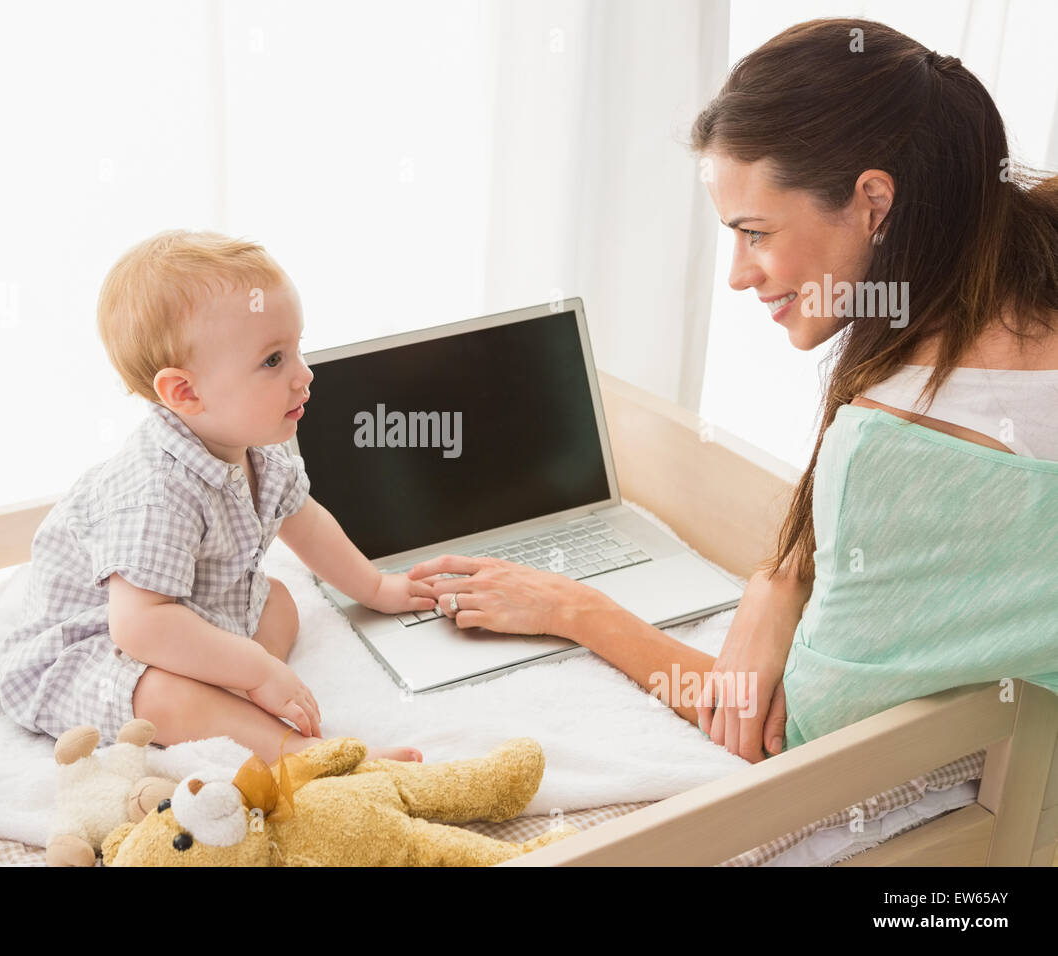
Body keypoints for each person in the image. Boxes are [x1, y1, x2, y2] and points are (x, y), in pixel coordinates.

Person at [410, 18, 1058, 763]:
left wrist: (573, 607)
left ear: (873, 203)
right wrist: (780, 577)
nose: (739, 274)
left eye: (755, 232)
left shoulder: (893, 445)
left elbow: (786, 742)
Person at [0, 230, 435, 761]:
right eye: (274, 360)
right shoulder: (155, 492)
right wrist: (256, 667)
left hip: (191, 610)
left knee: (280, 600)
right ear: (185, 393)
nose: (305, 374)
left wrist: (377, 587)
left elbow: (307, 521)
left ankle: (229, 697)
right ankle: (295, 753)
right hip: (100, 645)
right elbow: (139, 625)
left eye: (297, 348)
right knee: (159, 694)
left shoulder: (257, 448)